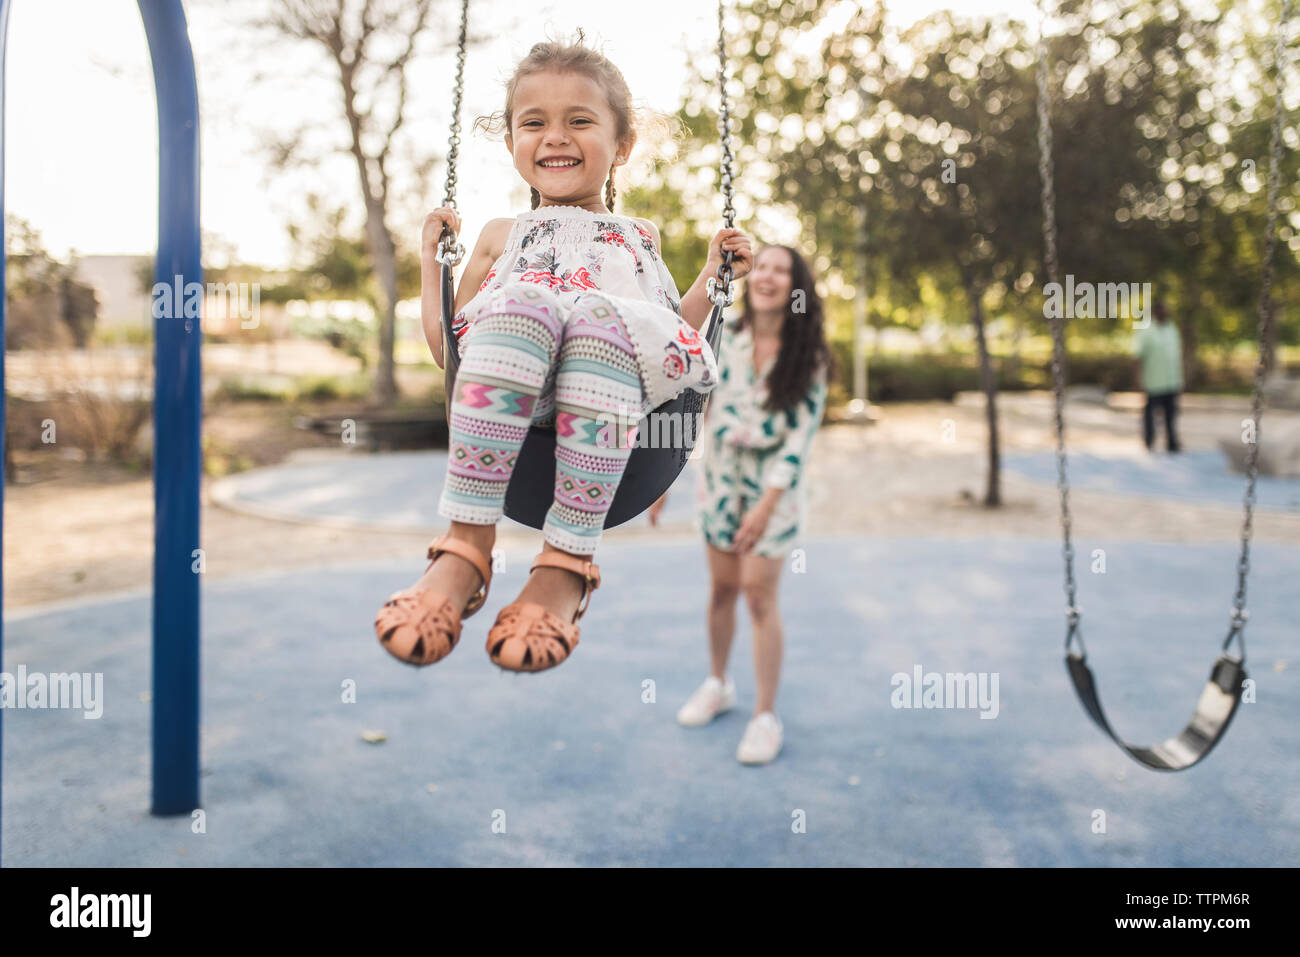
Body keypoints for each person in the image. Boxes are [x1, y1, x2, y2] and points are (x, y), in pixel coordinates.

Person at [372, 35, 752, 675]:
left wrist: (713, 278)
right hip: (519, 388)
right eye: (534, 122)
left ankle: (566, 563)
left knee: (606, 322)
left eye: (580, 120)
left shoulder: (640, 236)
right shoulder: (497, 236)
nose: (555, 136)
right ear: (513, 142)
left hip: (615, 399)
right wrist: (427, 263)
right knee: (523, 305)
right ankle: (466, 545)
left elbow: (669, 335)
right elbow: (450, 352)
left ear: (622, 145)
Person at [649, 244, 831, 764]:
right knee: (723, 589)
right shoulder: (726, 336)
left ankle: (765, 716)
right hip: (720, 481)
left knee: (757, 596)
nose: (769, 276)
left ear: (797, 287)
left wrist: (766, 504)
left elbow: (801, 438)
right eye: (764, 266)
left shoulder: (810, 356)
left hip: (772, 489)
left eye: (782, 269)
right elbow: (694, 407)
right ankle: (718, 683)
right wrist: (663, 480)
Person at [1134, 299, 1183, 453]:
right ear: (1154, 313)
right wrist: (1138, 379)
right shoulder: (1145, 330)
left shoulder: (1172, 329)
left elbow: (1176, 355)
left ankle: (1172, 442)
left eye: (1166, 310)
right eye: (1161, 310)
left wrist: (1181, 378)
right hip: (1153, 380)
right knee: (1151, 413)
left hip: (1171, 380)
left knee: (1171, 414)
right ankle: (1149, 441)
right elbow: (1137, 356)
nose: (1164, 313)